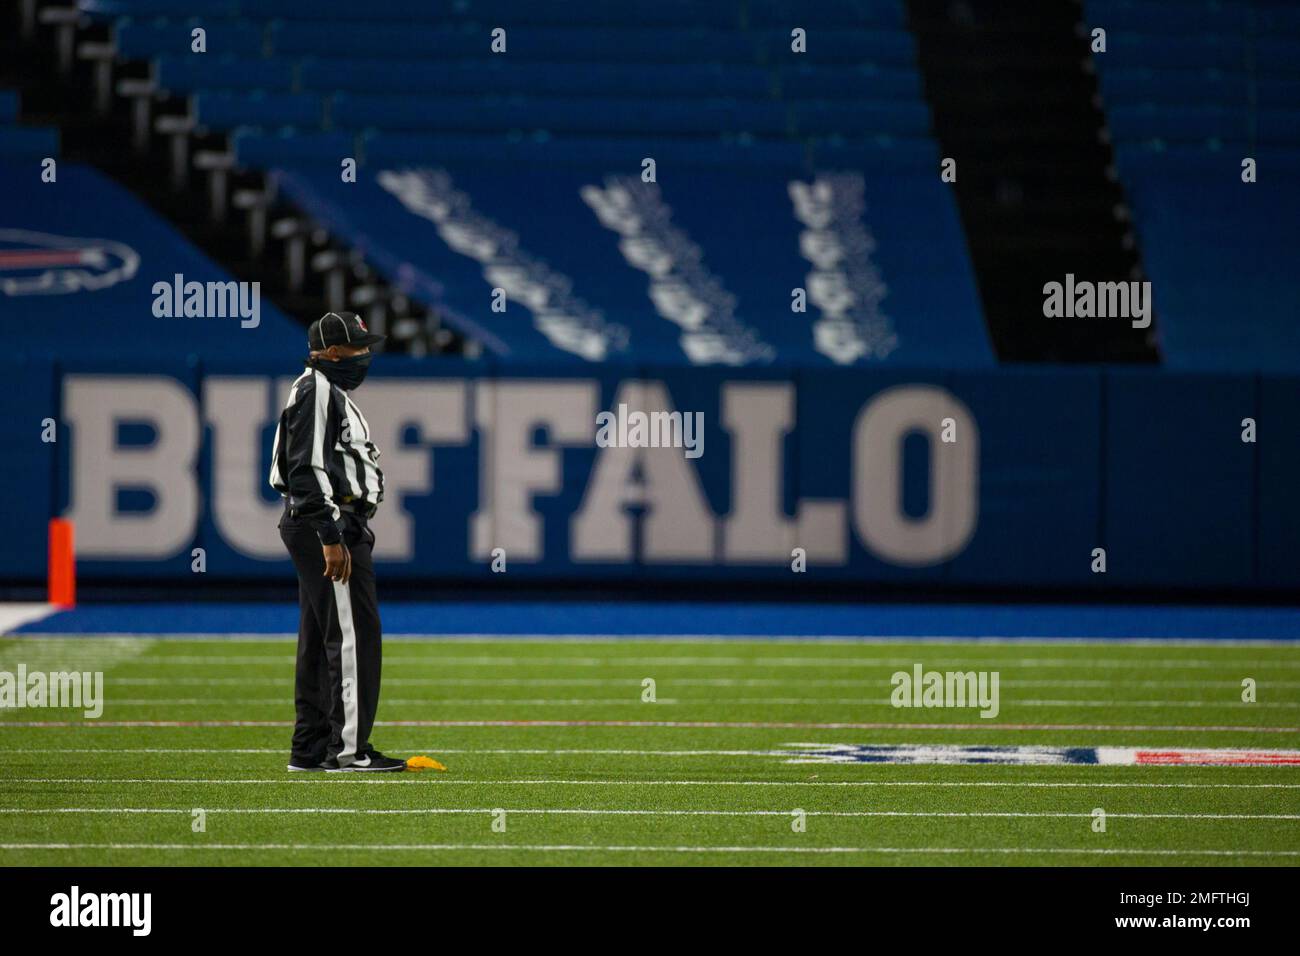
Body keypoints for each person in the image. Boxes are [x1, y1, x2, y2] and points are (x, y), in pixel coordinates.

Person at [269, 311, 404, 772]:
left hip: (327, 523)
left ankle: (311, 747)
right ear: (331, 352)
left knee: (320, 636)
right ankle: (348, 749)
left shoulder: (324, 390)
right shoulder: (318, 390)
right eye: (358, 348)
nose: (365, 356)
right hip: (327, 525)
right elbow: (304, 467)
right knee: (352, 636)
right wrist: (330, 534)